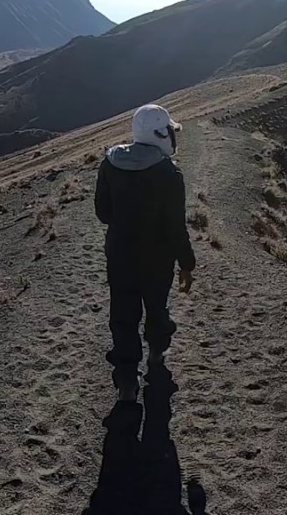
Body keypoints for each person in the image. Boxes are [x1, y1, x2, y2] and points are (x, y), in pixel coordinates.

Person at [94, 103, 196, 402]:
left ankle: (127, 381)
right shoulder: (168, 174)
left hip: (120, 255)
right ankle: (156, 356)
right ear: (161, 134)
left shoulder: (110, 163)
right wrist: (186, 264)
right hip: (158, 259)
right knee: (156, 307)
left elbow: (103, 213)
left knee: (123, 316)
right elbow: (177, 227)